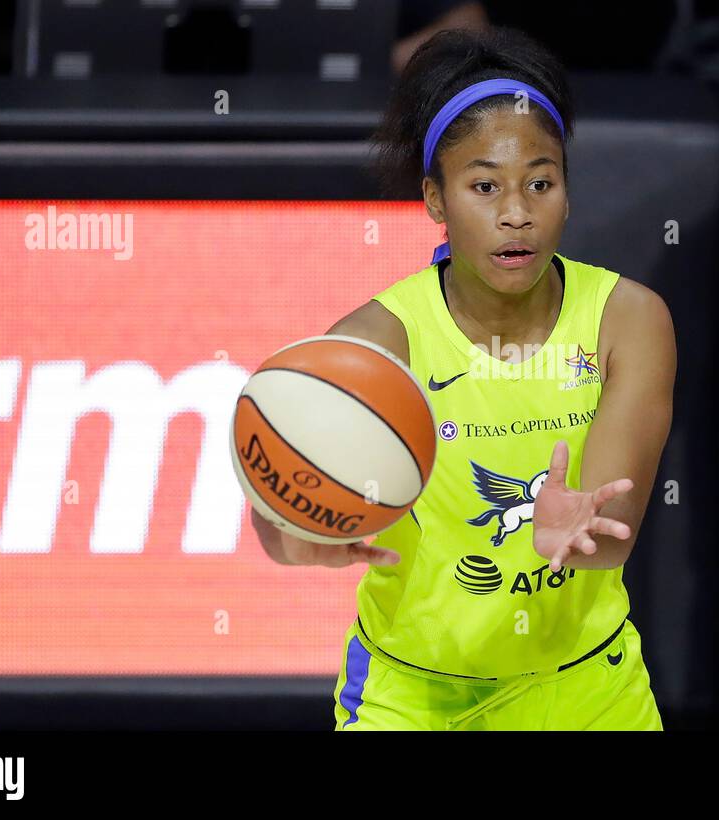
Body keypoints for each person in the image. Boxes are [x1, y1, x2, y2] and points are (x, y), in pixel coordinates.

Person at [251, 27, 676, 730]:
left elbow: (612, 535)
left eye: (541, 182)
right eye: (485, 186)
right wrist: (304, 538)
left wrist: (582, 534)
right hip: (412, 699)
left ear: (567, 192)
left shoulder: (627, 319)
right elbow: (277, 525)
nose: (517, 212)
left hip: (587, 693)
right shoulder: (375, 343)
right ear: (435, 200)